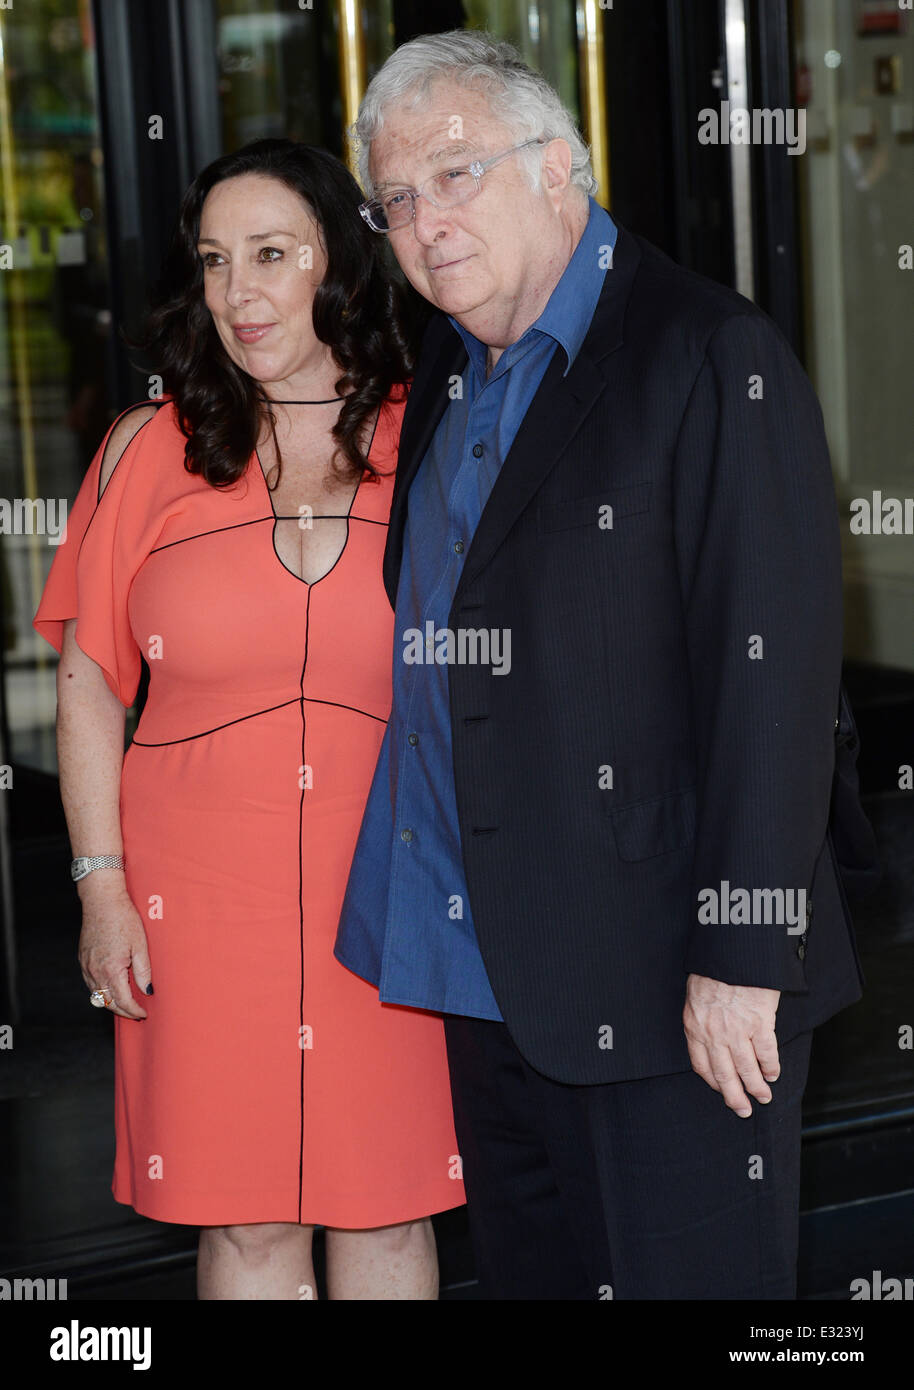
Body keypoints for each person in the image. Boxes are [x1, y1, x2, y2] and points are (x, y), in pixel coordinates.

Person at [335, 31, 870, 1299]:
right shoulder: (449, 374)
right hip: (489, 979)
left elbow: (775, 679)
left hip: (670, 987)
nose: (424, 221)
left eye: (454, 174)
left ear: (561, 166)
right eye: (396, 199)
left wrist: (742, 956)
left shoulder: (704, 354)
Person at [34, 138, 464, 1301]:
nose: (237, 291)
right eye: (216, 261)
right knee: (244, 1225)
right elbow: (89, 681)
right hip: (194, 901)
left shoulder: (434, 438)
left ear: (339, 263)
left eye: (271, 254)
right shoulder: (145, 450)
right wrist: (100, 884)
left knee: (386, 1209)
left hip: (388, 894)